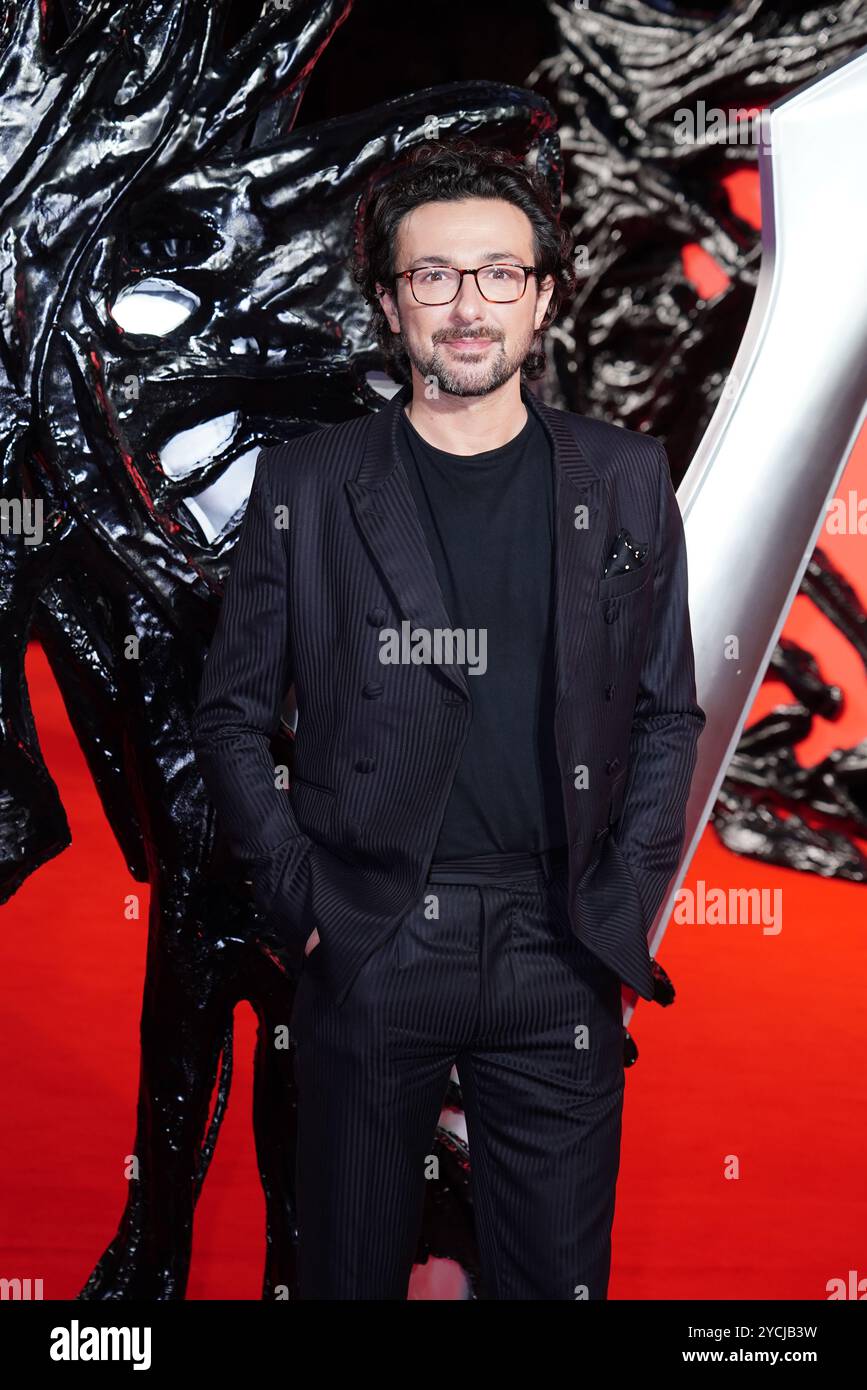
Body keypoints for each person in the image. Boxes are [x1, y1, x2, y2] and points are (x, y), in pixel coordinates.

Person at [191, 138, 706, 1300]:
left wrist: (617, 905)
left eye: (497, 275)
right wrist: (305, 906)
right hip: (373, 935)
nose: (467, 307)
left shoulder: (624, 477)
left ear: (543, 299)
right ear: (389, 301)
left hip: (555, 941)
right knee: (349, 1276)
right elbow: (228, 716)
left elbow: (670, 711)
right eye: (433, 276)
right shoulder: (311, 485)